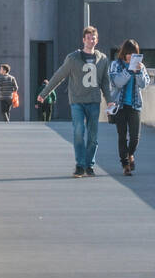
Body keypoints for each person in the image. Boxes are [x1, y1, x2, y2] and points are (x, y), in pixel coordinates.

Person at [38, 26, 110, 177]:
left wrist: (110, 100)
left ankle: (89, 165)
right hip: (77, 100)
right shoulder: (73, 58)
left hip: (94, 101)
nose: (91, 41)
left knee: (93, 135)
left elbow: (105, 82)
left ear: (97, 40)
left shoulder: (102, 59)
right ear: (83, 40)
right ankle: (80, 165)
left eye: (94, 38)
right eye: (88, 38)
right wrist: (44, 93)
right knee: (78, 132)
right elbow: (59, 76)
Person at [109, 39, 151, 176]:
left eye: (134, 54)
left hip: (135, 105)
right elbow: (117, 82)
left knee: (135, 137)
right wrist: (129, 70)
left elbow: (144, 84)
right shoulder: (116, 65)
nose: (131, 56)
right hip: (119, 106)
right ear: (124, 53)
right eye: (129, 53)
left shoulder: (141, 66)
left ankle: (130, 154)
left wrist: (138, 72)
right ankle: (125, 164)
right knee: (122, 136)